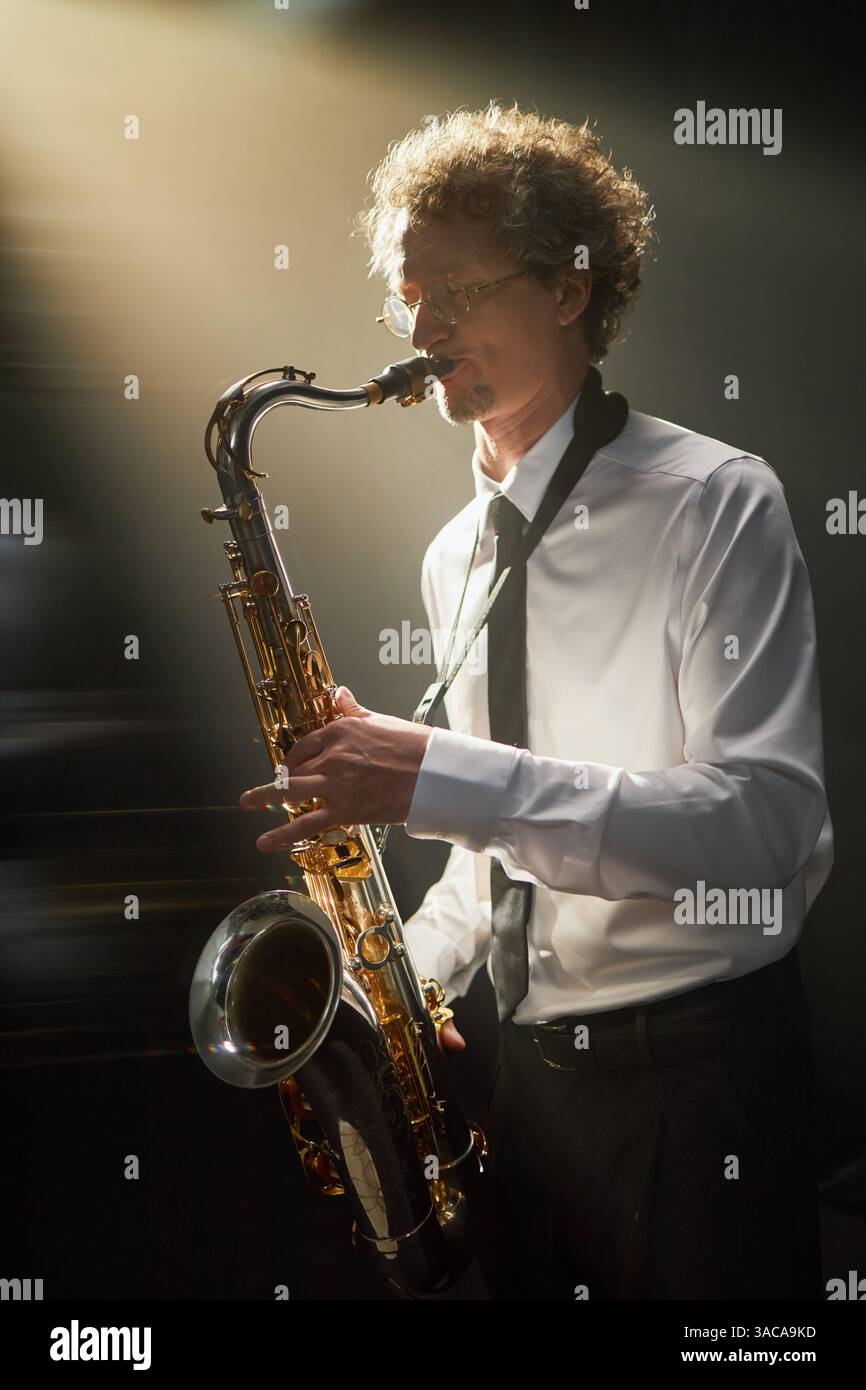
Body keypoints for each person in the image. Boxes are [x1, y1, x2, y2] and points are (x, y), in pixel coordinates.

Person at [240, 102, 834, 1300]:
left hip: (696, 1081)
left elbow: (767, 832)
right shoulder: (453, 554)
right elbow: (491, 858)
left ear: (569, 289)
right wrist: (388, 982)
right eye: (406, 296)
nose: (419, 329)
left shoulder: (714, 503)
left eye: (454, 291)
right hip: (527, 1092)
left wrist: (436, 776)